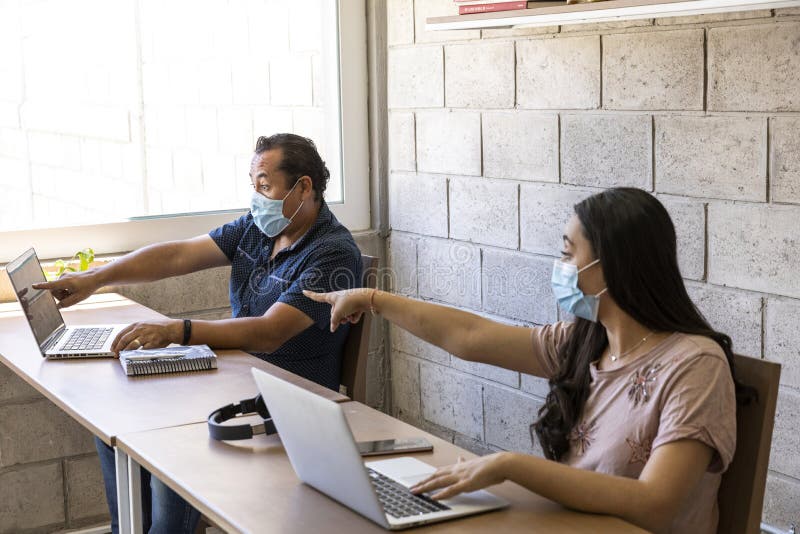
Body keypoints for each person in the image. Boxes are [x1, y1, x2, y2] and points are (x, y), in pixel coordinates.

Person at [305, 187, 751, 534]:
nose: (559, 265)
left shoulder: (695, 365)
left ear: (611, 264)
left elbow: (655, 505)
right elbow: (470, 337)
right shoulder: (585, 341)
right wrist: (371, 298)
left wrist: (510, 466)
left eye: (567, 252)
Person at [35, 133, 363, 534]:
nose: (257, 197)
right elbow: (177, 255)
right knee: (115, 426)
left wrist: (178, 330)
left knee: (170, 447)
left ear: (304, 186)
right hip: (234, 381)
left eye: (265, 184)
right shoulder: (258, 230)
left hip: (289, 403)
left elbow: (268, 332)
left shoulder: (333, 252)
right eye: (253, 185)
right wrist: (95, 278)